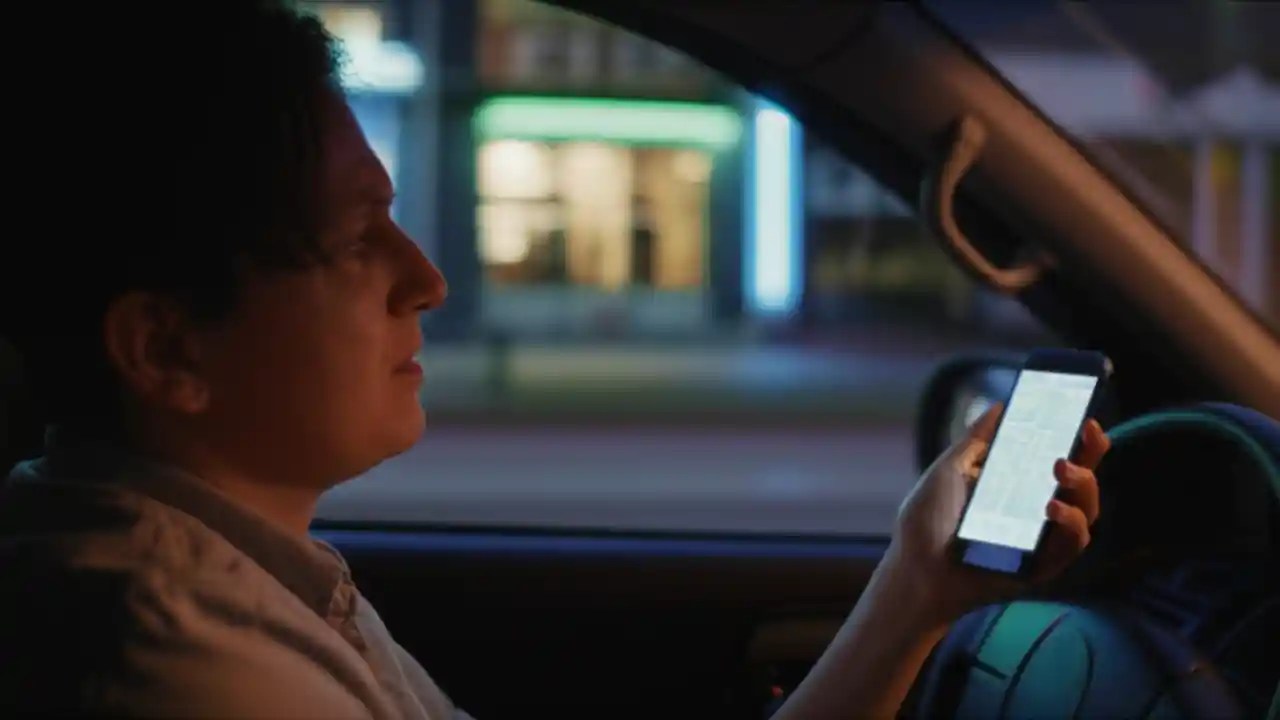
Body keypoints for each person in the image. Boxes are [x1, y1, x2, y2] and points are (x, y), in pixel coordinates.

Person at [0, 2, 1110, 718]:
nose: (426, 278)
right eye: (356, 239)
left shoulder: (240, 577)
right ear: (165, 348)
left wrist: (918, 585)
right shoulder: (182, 665)